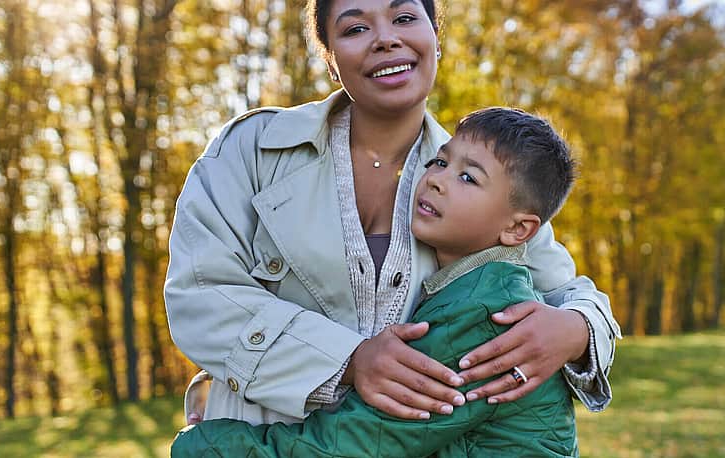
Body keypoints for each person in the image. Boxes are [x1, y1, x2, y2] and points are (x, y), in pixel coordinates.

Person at [164, 0, 620, 427]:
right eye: (355, 28)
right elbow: (199, 295)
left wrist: (577, 330)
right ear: (330, 59)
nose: (385, 39)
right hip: (255, 439)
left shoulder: (486, 181)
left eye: (404, 18)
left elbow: (566, 291)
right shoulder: (252, 150)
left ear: (435, 38)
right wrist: (349, 359)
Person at [172, 107, 582, 457]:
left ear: (517, 230)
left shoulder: (482, 313)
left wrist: (207, 445)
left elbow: (360, 443)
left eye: (468, 178)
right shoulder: (477, 288)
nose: (436, 179)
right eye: (440, 162)